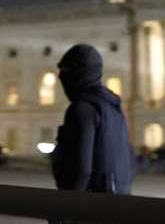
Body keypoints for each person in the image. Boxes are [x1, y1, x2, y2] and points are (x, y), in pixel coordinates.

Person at [51, 44, 133, 195]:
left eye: (64, 70)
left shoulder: (82, 108)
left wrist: (67, 208)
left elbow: (81, 171)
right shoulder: (113, 107)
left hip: (92, 203)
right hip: (118, 199)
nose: (60, 76)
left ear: (78, 72)